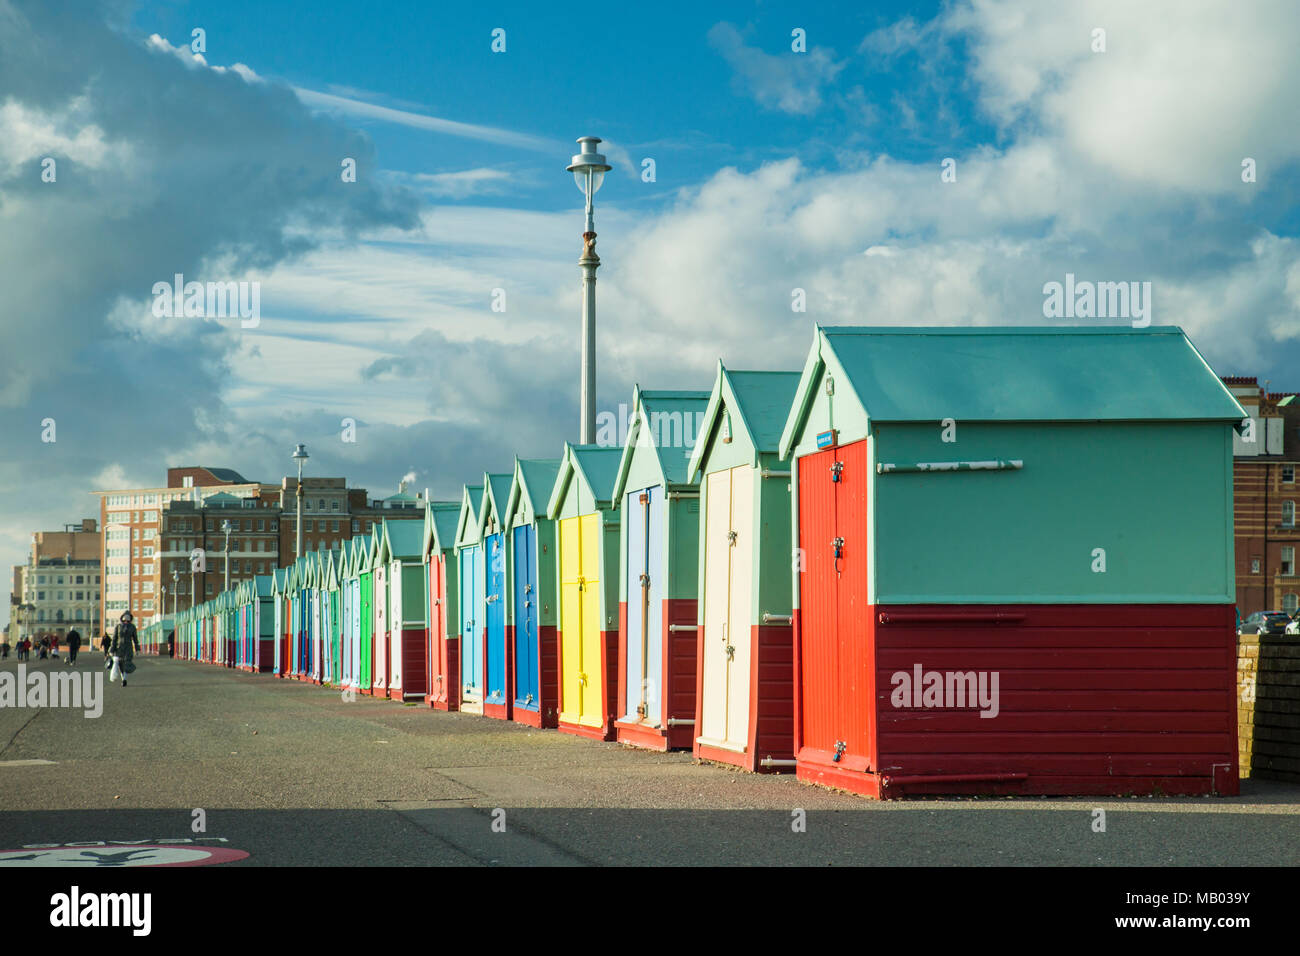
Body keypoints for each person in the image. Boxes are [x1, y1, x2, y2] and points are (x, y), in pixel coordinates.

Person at [110, 612, 140, 687]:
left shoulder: (132, 627)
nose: (126, 620)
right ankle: (122, 677)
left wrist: (137, 649)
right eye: (125, 618)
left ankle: (124, 679)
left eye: (128, 618)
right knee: (119, 664)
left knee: (127, 663)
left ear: (130, 619)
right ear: (122, 618)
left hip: (128, 647)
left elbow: (135, 639)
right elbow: (114, 638)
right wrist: (112, 649)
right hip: (119, 647)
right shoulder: (118, 626)